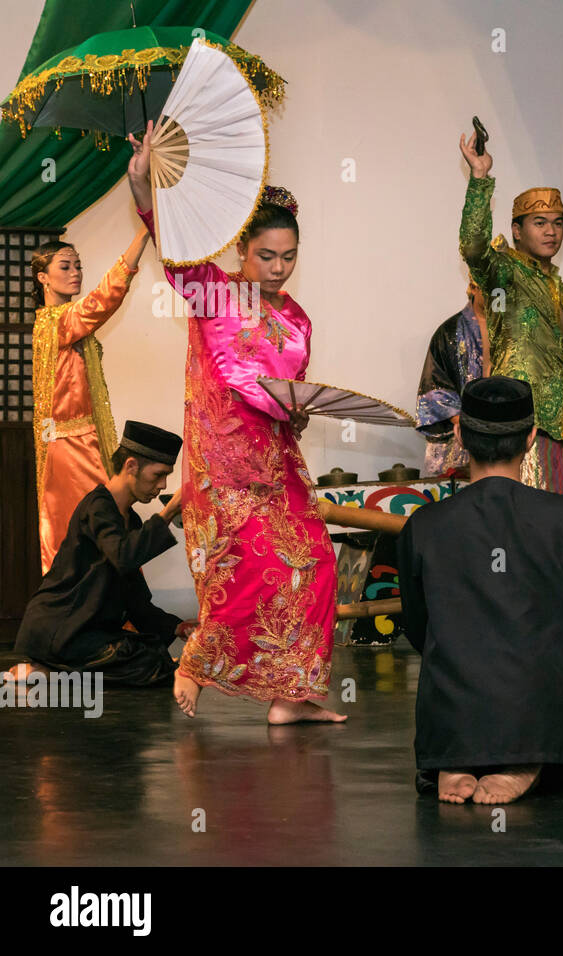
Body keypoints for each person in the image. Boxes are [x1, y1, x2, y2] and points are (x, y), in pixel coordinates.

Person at [127, 121, 343, 725]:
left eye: (289, 256)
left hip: (276, 459)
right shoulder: (216, 292)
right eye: (266, 256)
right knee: (247, 569)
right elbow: (174, 258)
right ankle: (195, 661)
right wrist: (145, 190)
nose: (278, 268)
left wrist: (298, 411)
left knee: (316, 561)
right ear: (240, 252)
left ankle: (290, 696)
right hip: (225, 461)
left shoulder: (297, 317)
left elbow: (284, 390)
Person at [397, 376, 563, 804]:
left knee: (450, 657)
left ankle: (457, 753)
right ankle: (527, 758)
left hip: (452, 712)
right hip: (541, 718)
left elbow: (417, 628)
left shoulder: (424, 526)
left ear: (459, 433)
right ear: (530, 438)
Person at [11, 422, 189, 686]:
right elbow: (124, 556)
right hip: (62, 627)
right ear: (131, 466)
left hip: (86, 630)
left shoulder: (131, 522)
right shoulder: (98, 507)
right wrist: (167, 514)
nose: (162, 485)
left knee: (153, 652)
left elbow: (134, 599)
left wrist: (178, 627)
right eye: (158, 475)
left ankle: (50, 671)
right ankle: (51, 671)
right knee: (152, 663)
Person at [457, 127, 563, 494]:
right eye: (540, 223)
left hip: (559, 425)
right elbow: (473, 246)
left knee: (556, 523)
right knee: (523, 520)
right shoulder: (504, 271)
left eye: (558, 223)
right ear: (517, 229)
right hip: (517, 427)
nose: (551, 232)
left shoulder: (558, 285)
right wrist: (480, 178)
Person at [31, 226, 151, 572]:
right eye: (65, 266)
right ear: (43, 277)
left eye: (78, 266)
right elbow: (103, 300)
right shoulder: (57, 321)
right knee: (100, 531)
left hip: (78, 443)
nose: (75, 273)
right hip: (73, 448)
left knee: (87, 535)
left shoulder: (56, 322)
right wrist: (141, 237)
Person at [417, 281, 489, 478]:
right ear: (474, 288)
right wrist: (474, 428)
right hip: (461, 439)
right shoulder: (449, 333)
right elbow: (434, 391)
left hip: (508, 442)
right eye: (489, 286)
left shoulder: (514, 334)